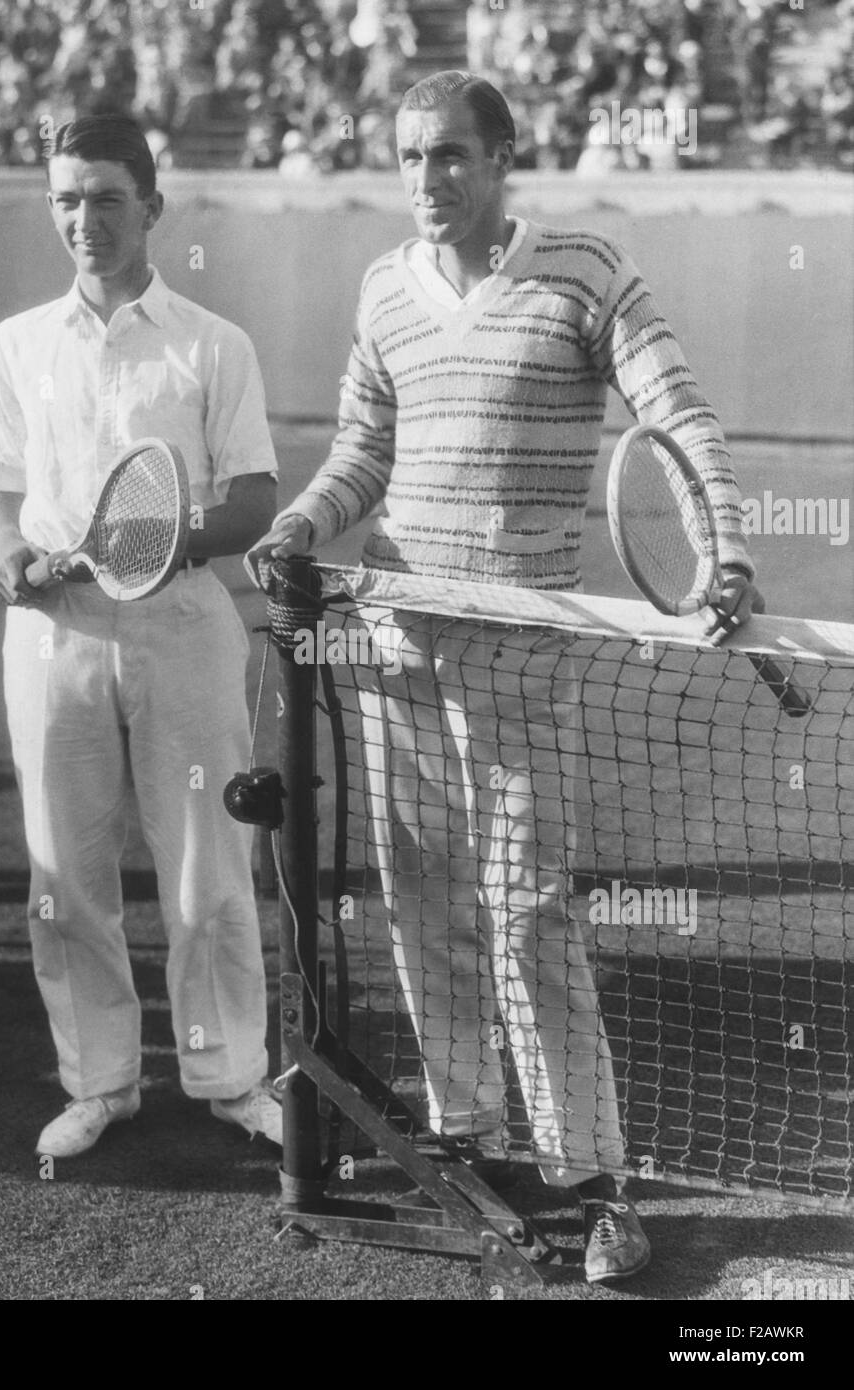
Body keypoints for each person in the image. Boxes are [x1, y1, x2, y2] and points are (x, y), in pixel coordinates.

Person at [246, 71, 761, 1284]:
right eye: (413, 159)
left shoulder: (584, 271)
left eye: (452, 158)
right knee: (421, 901)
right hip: (396, 648)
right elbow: (363, 450)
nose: (429, 182)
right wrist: (300, 525)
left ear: (504, 157)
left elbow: (677, 416)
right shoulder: (384, 289)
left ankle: (593, 1176)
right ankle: (466, 1127)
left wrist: (722, 549)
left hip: (526, 665)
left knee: (528, 913)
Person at [0, 114, 282, 1159]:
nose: (83, 218)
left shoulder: (212, 342)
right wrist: (13, 552)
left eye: (106, 196)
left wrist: (143, 545)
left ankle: (231, 1073)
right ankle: (100, 1082)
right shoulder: (14, 345)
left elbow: (251, 504)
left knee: (206, 870)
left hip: (184, 631)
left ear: (152, 205)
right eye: (65, 197)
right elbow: (1, 498)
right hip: (53, 641)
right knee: (63, 876)